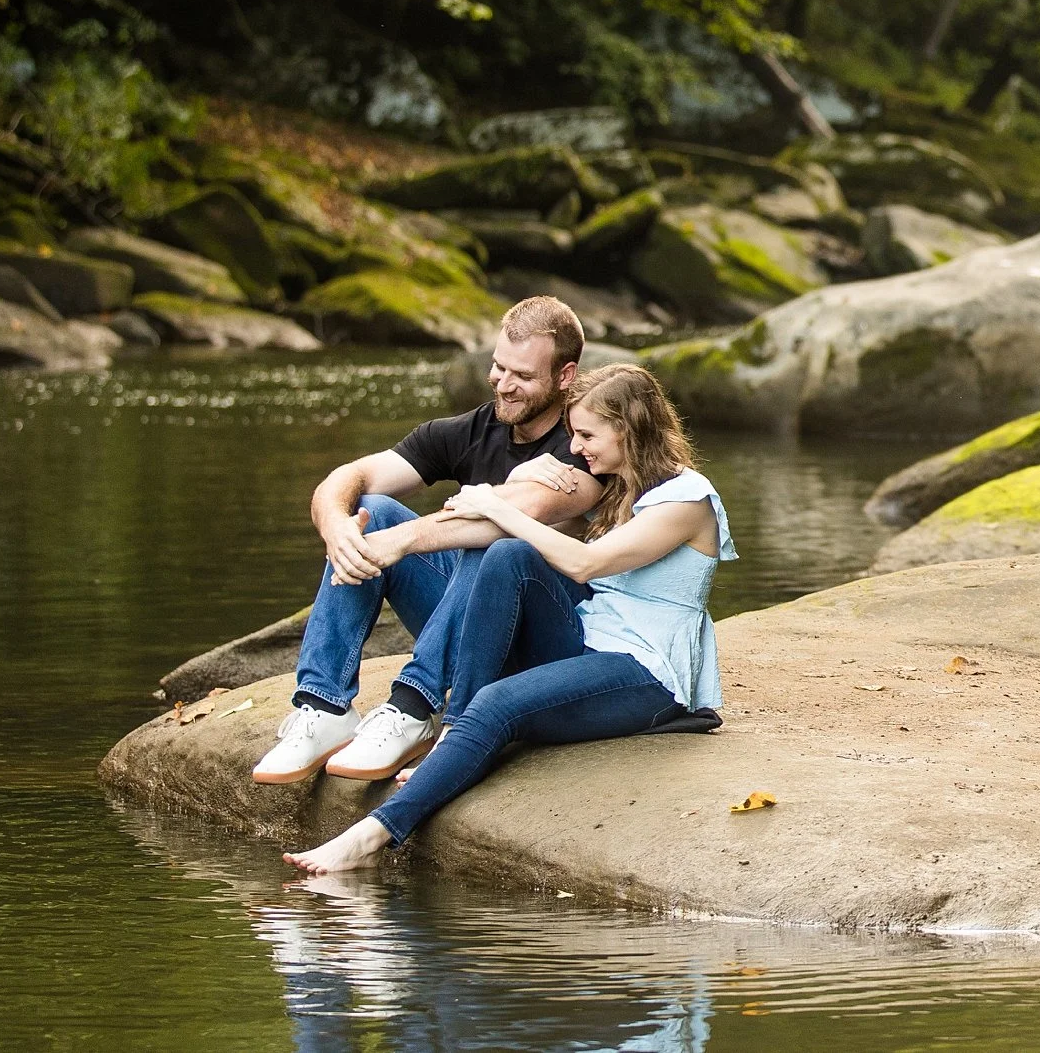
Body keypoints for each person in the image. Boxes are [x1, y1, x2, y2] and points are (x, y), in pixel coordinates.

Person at [284, 364, 733, 874]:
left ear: (628, 430)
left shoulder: (686, 499)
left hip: (649, 674)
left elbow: (586, 563)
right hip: (588, 640)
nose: (578, 449)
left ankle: (371, 836)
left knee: (498, 701)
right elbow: (539, 535)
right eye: (573, 435)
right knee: (507, 557)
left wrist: (495, 505)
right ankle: (454, 729)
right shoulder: (618, 485)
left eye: (587, 436)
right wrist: (520, 478)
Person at [253, 297, 601, 785]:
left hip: (544, 643)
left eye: (521, 375)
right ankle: (324, 707)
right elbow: (354, 474)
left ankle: (414, 707)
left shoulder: (588, 442)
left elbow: (526, 512)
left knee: (494, 541)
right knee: (369, 514)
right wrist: (337, 527)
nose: (503, 383)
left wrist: (406, 540)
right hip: (470, 630)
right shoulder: (475, 429)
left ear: (565, 376)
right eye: (497, 367)